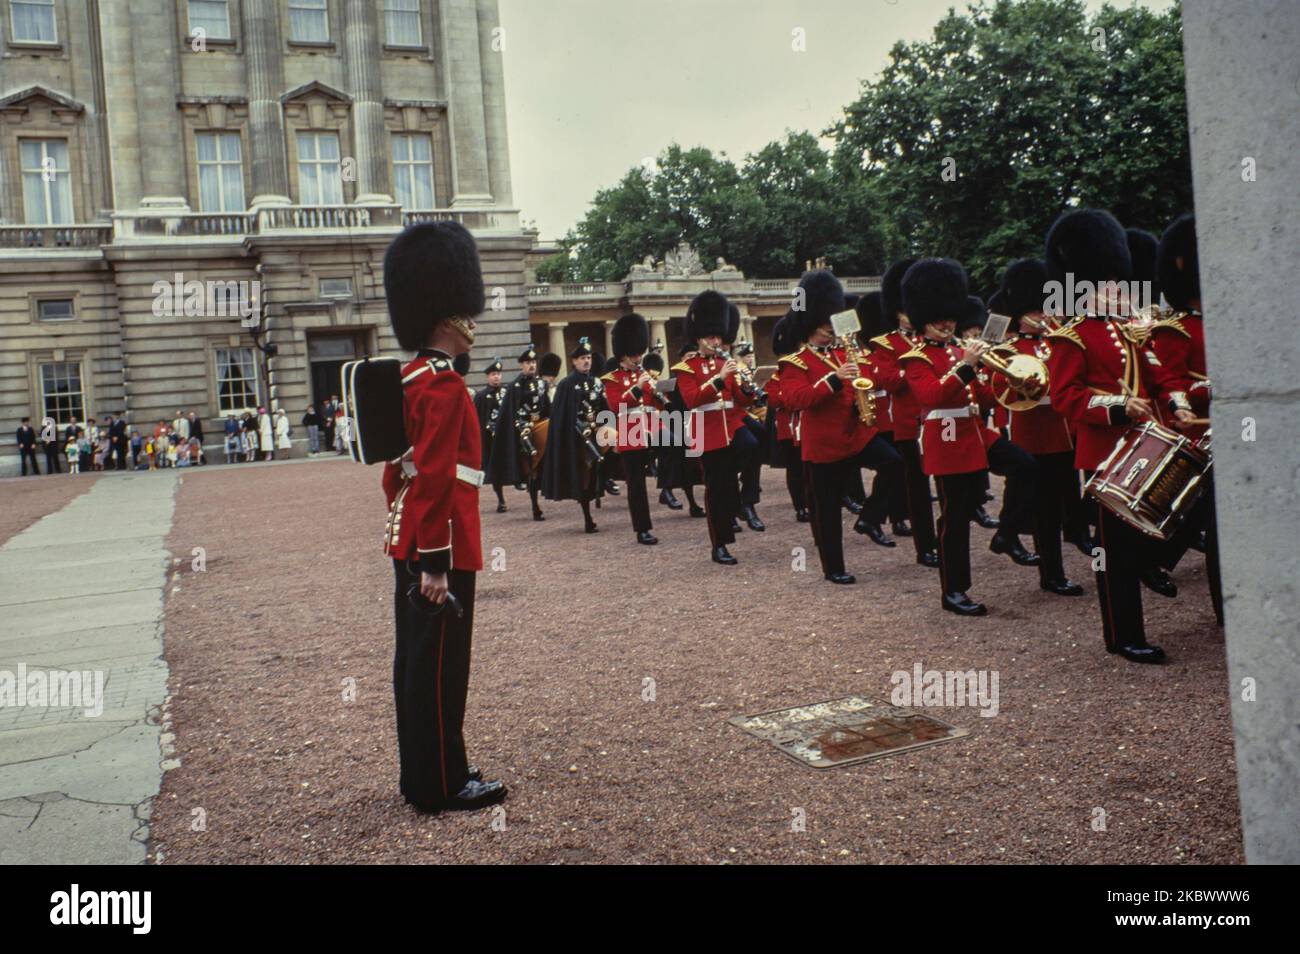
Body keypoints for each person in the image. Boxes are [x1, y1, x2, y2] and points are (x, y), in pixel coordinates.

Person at [380, 220, 505, 813]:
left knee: (417, 662)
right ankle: (440, 785)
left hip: (418, 536)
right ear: (445, 317)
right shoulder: (446, 387)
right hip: (443, 546)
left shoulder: (409, 380)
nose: (471, 321)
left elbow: (396, 473)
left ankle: (434, 769)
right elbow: (432, 480)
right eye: (463, 310)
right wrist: (433, 561)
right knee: (440, 669)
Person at [1044, 209, 1165, 662]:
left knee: (1146, 535)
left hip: (1141, 447)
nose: (1117, 288)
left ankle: (1139, 606)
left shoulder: (1130, 333)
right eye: (1107, 282)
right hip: (1102, 453)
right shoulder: (1071, 336)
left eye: (1119, 280)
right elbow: (1065, 397)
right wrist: (1115, 406)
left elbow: (1152, 382)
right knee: (1113, 551)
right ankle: (1123, 634)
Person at [899, 258, 1040, 616]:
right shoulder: (915, 359)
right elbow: (932, 396)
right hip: (947, 441)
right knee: (955, 517)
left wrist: (1009, 379)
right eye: (940, 318)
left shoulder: (954, 349)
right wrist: (966, 365)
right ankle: (954, 590)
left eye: (950, 317)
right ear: (923, 319)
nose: (948, 323)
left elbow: (984, 397)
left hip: (976, 434)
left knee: (1026, 467)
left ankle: (1006, 534)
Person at [778, 270, 904, 584]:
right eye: (824, 326)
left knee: (894, 464)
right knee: (827, 508)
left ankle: (870, 518)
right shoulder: (795, 363)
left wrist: (866, 373)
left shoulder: (845, 351)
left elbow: (872, 378)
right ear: (811, 326)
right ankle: (833, 567)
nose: (829, 331)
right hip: (823, 442)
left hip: (856, 434)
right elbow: (795, 399)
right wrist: (834, 380)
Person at [989, 259, 1084, 596]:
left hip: (1060, 431)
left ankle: (1045, 565)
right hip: (1031, 431)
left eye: (1045, 309)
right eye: (1036, 310)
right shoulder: (1010, 349)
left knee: (1055, 506)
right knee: (1040, 503)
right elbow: (997, 390)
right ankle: (1049, 571)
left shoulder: (1057, 342)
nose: (1044, 316)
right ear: (1020, 314)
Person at [1149, 212, 1221, 622]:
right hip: (1204, 433)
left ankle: (1158, 558)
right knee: (1211, 523)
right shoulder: (1176, 329)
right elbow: (1172, 383)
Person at [672, 291, 757, 566]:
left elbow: (741, 401)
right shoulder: (686, 368)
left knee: (753, 447)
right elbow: (692, 399)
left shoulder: (725, 363)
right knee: (716, 491)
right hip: (706, 433)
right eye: (711, 337)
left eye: (718, 337)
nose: (716, 342)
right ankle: (719, 545)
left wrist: (745, 386)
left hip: (730, 427)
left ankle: (745, 502)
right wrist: (720, 380)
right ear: (698, 337)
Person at [871, 259, 940, 568]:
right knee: (918, 489)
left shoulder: (934, 340)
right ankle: (926, 547)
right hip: (909, 425)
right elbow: (887, 380)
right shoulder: (886, 344)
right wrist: (915, 371)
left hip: (939, 421)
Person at [601, 313, 666, 545]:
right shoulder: (611, 378)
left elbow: (652, 402)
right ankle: (642, 528)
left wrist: (659, 394)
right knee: (636, 483)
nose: (638, 358)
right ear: (623, 354)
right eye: (634, 354)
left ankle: (667, 486)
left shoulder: (643, 374)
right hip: (629, 432)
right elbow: (614, 405)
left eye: (639, 353)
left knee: (676, 444)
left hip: (649, 428)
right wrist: (637, 390)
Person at [541, 337, 608, 533]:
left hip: (597, 434)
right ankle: (588, 518)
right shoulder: (566, 385)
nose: (586, 361)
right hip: (576, 440)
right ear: (574, 361)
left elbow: (604, 409)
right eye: (582, 358)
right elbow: (562, 416)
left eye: (588, 357)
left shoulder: (596, 382)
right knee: (583, 480)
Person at [488, 346, 550, 520]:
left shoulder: (541, 383)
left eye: (533, 362)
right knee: (529, 464)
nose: (531, 365)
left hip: (541, 422)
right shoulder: (515, 386)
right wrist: (521, 426)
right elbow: (512, 412)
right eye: (528, 363)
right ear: (521, 365)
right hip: (523, 428)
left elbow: (547, 406)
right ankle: (534, 506)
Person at [472, 357, 508, 510]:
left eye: (498, 374)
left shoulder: (507, 392)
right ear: (488, 376)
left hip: (507, 437)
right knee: (496, 471)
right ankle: (501, 499)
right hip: (491, 440)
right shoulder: (481, 396)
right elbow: (476, 419)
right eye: (493, 374)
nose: (496, 377)